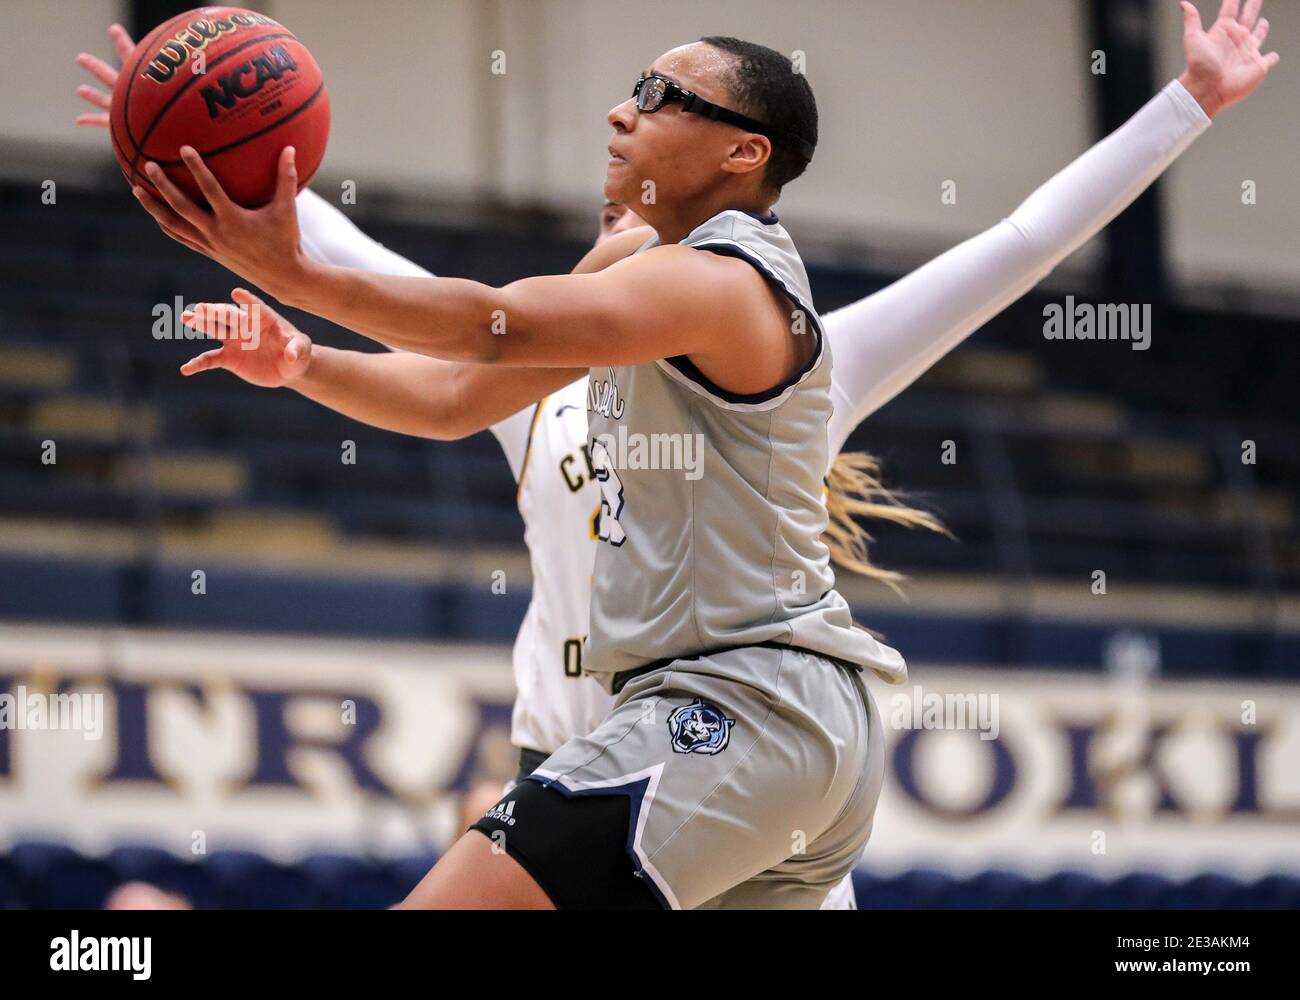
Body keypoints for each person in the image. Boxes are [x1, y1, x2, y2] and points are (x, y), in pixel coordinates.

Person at [87, 1, 1278, 908]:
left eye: (653, 96)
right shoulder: (565, 368)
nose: (619, 118)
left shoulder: (730, 292)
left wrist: (1186, 103)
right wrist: (229, 232)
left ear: (735, 164)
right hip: (616, 729)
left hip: (735, 719)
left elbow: (1017, 244)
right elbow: (447, 378)